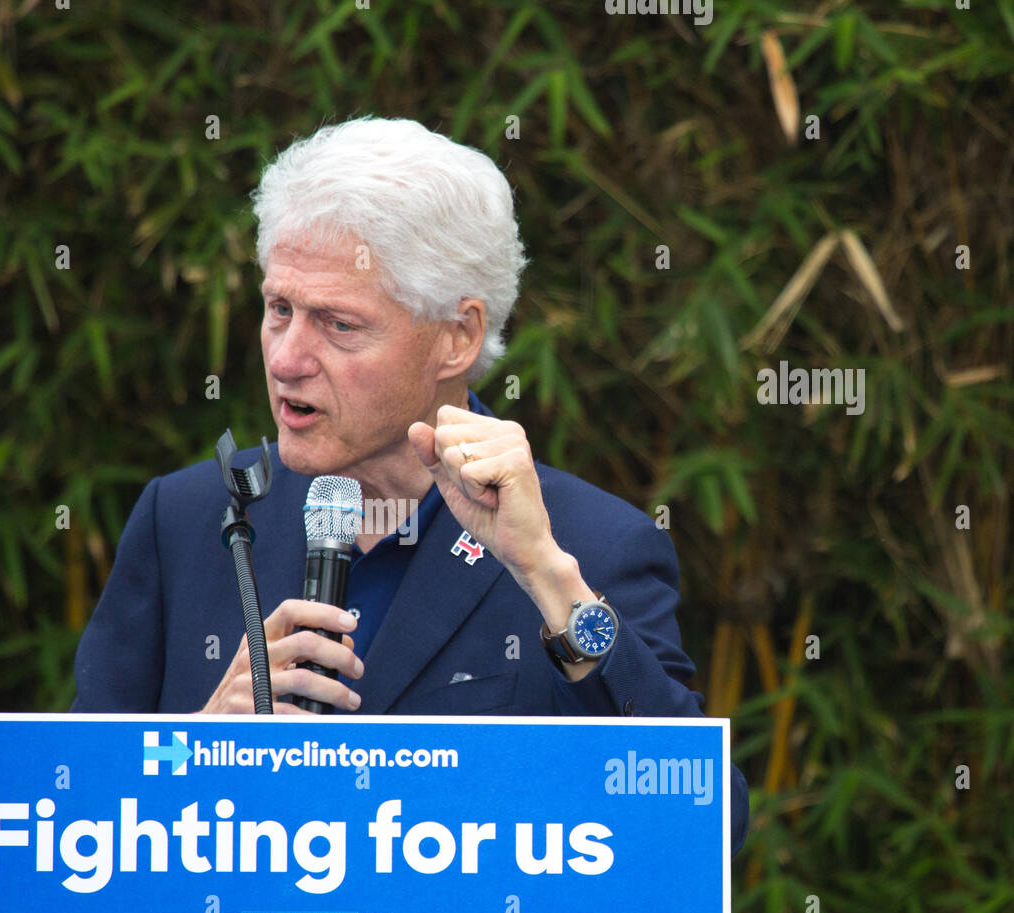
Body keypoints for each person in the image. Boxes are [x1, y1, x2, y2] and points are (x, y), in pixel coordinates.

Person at [71, 117, 748, 854]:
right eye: (279, 310)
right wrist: (196, 747)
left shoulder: (588, 547)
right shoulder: (190, 517)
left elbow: (702, 833)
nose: (287, 358)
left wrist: (550, 580)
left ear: (455, 337)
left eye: (338, 325)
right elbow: (58, 813)